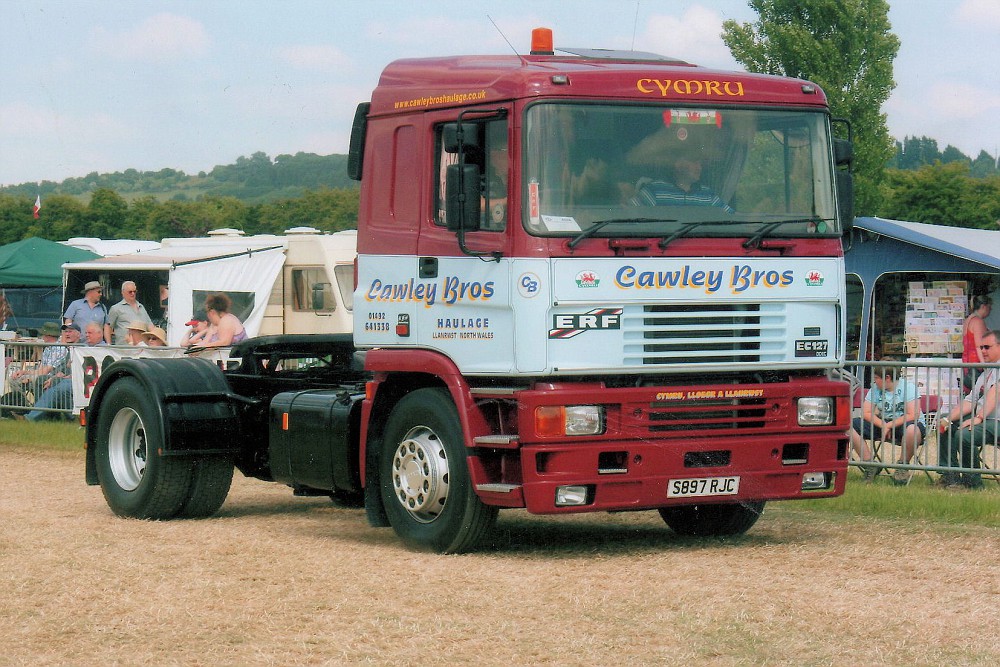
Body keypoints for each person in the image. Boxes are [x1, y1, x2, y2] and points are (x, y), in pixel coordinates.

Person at [937, 329, 1000, 490]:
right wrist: (948, 419)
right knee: (945, 423)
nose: (983, 351)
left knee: (965, 434)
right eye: (981, 347)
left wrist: (978, 418)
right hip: (985, 418)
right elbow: (970, 401)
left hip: (996, 421)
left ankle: (972, 482)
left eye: (987, 347)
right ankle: (950, 475)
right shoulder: (987, 372)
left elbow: (995, 393)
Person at [847, 361, 926, 485]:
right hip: (883, 421)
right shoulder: (875, 389)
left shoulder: (908, 388)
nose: (874, 382)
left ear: (887, 378)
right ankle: (869, 464)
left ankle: (902, 466)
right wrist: (883, 425)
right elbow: (866, 412)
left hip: (906, 423)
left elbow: (913, 414)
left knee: (912, 430)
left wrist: (889, 425)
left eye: (876, 378)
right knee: (849, 425)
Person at [14, 324, 79, 421]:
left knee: (49, 383)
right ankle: (38, 413)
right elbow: (61, 368)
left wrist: (53, 378)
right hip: (57, 376)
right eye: (66, 332)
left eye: (70, 331)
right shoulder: (67, 349)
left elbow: (49, 370)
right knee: (40, 379)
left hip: (73, 380)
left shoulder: (78, 348)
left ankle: (33, 416)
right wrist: (25, 372)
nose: (67, 334)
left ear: (78, 334)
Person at [105, 280, 153, 345]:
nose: (133, 293)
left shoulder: (141, 307)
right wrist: (109, 344)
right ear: (123, 292)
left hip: (142, 349)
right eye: (130, 292)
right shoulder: (116, 308)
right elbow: (108, 327)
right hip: (124, 349)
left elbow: (150, 326)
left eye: (134, 291)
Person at [961, 295, 992, 391]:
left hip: (967, 365)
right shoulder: (978, 321)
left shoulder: (968, 320)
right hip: (977, 366)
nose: (990, 311)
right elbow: (980, 346)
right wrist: (986, 367)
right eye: (989, 307)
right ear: (984, 307)